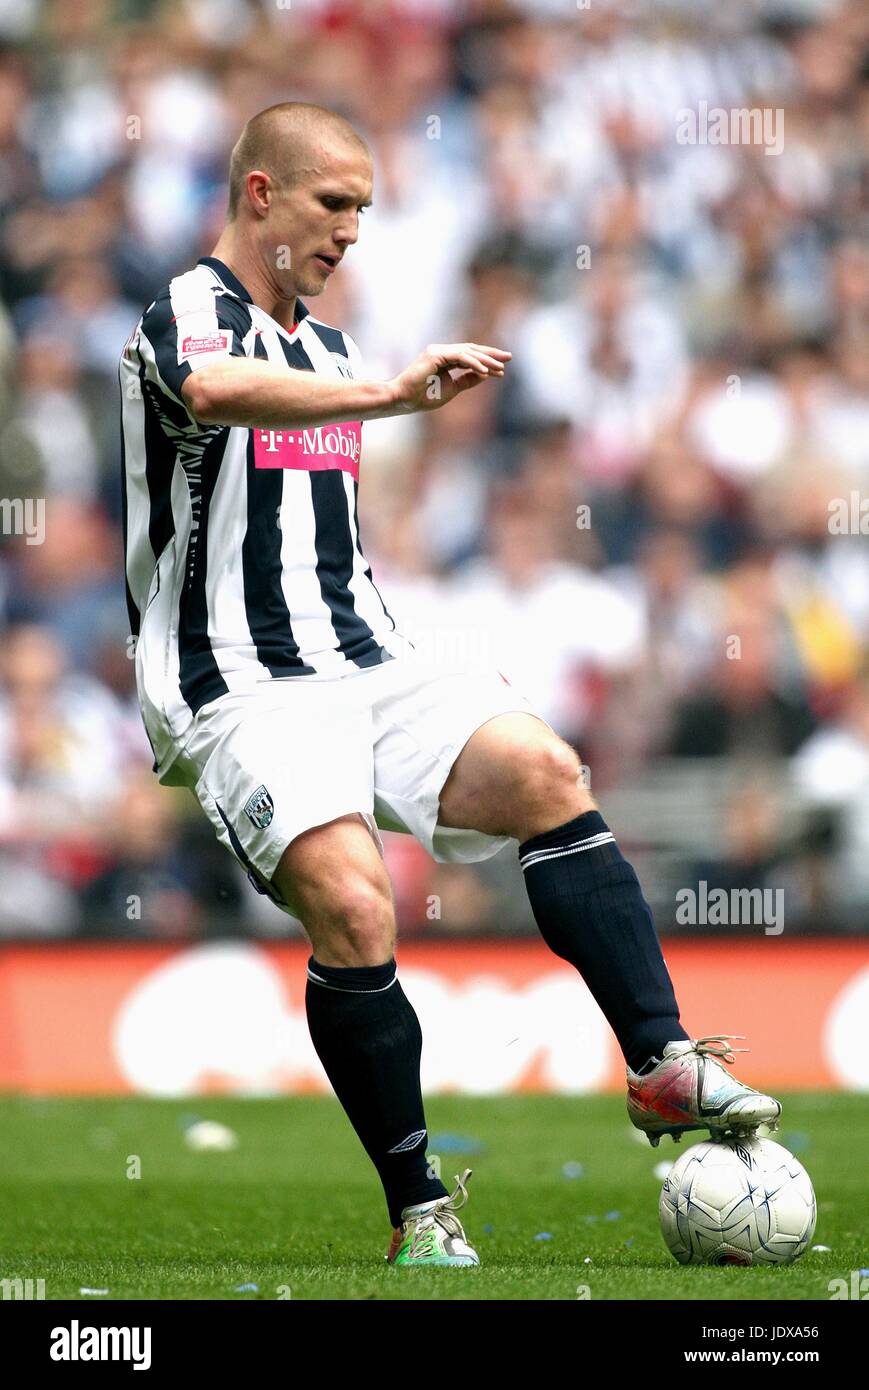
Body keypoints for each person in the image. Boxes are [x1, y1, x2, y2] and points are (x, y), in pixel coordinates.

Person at [119, 102, 780, 1268]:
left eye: (366, 210)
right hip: (237, 686)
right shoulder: (189, 308)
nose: (352, 232)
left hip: (364, 653)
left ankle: (658, 1064)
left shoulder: (325, 348)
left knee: (543, 768)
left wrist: (373, 398)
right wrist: (393, 396)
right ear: (260, 194)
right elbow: (213, 394)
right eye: (334, 204)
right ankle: (419, 1208)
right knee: (361, 907)